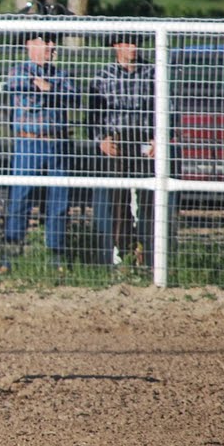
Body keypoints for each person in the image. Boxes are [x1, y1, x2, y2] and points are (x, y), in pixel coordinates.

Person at [1, 29, 77, 272]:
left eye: (52, 42)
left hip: (58, 143)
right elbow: (25, 96)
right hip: (29, 142)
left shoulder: (61, 74)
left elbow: (73, 98)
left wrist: (46, 88)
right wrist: (48, 90)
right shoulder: (18, 72)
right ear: (29, 45)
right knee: (20, 198)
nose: (51, 47)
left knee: (60, 201)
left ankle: (56, 257)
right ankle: (10, 255)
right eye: (45, 42)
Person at [89, 31, 155, 269]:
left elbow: (166, 107)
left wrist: (159, 138)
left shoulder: (152, 73)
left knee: (148, 200)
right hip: (116, 141)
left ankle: (148, 255)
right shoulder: (103, 76)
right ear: (116, 46)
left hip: (144, 141)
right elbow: (93, 114)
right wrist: (101, 140)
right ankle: (121, 254)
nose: (133, 47)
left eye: (135, 43)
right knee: (118, 201)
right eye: (127, 43)